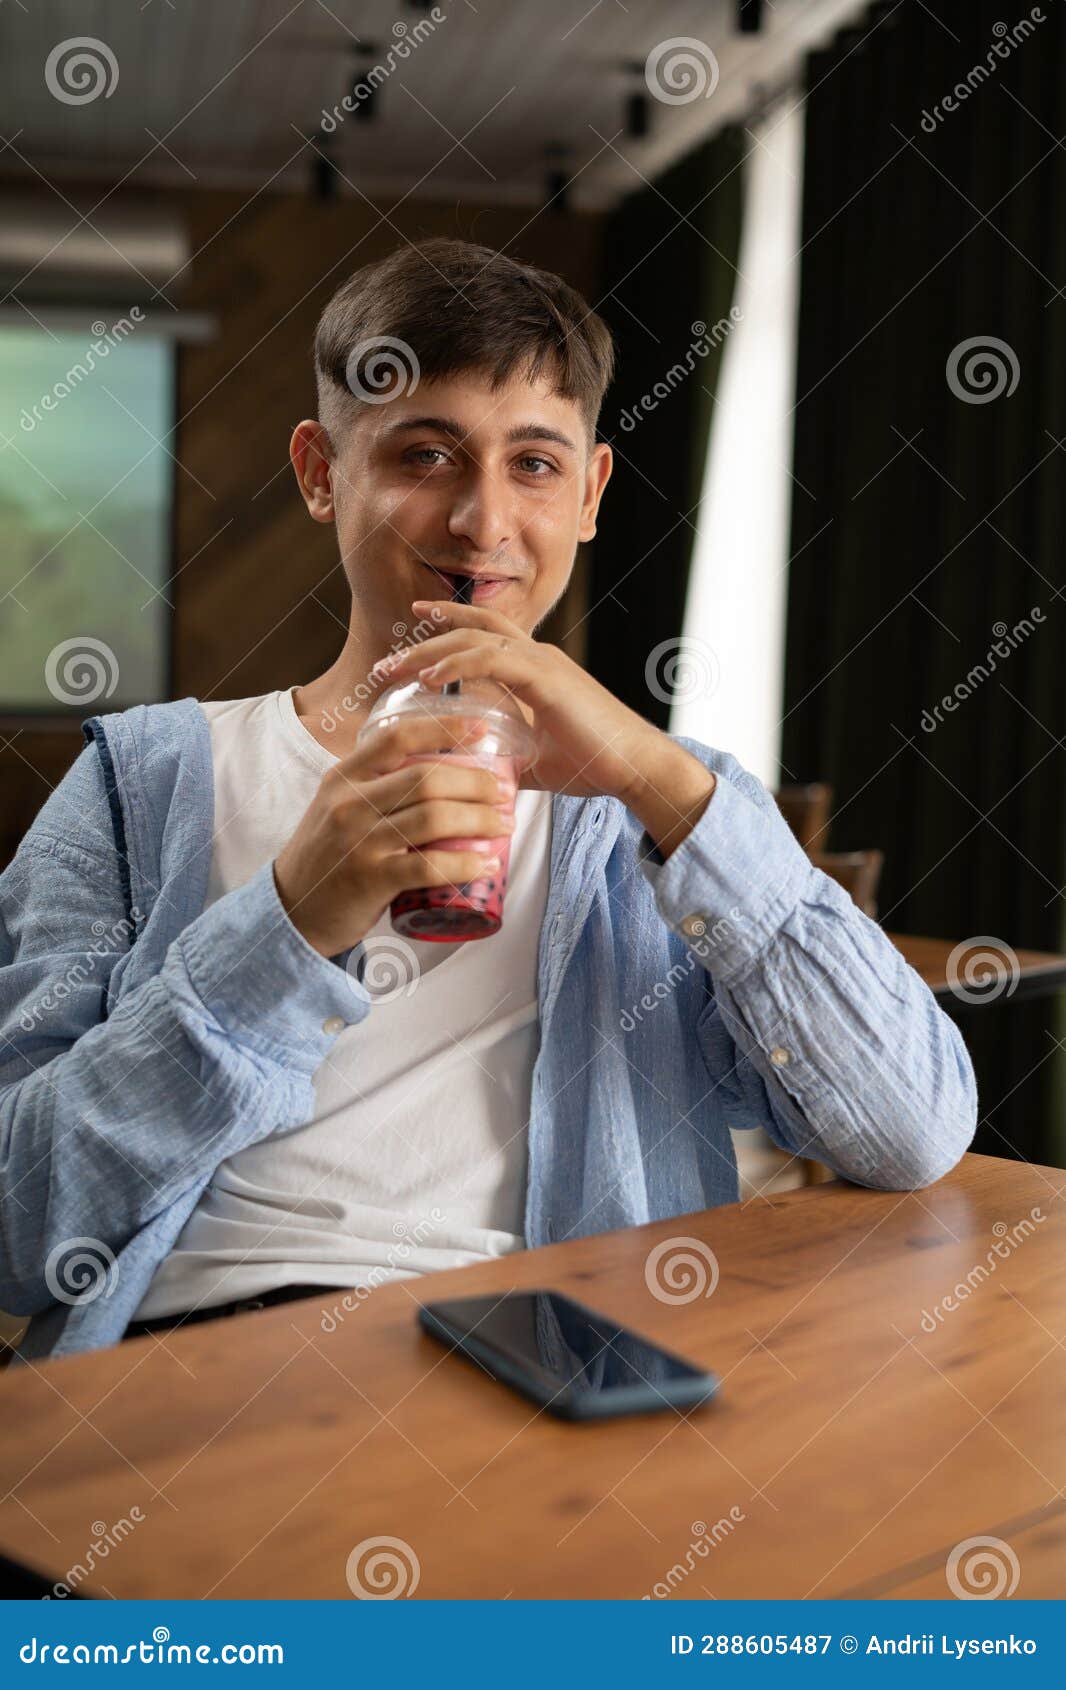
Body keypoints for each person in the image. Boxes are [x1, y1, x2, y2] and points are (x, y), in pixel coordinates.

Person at [0, 238, 976, 1361]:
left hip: (560, 1359)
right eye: (426, 455)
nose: (482, 521)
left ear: (592, 494)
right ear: (322, 473)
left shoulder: (664, 808)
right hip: (207, 1361)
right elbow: (21, 1229)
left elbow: (908, 1129)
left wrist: (660, 774)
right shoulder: (143, 781)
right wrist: (286, 923)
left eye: (535, 464)